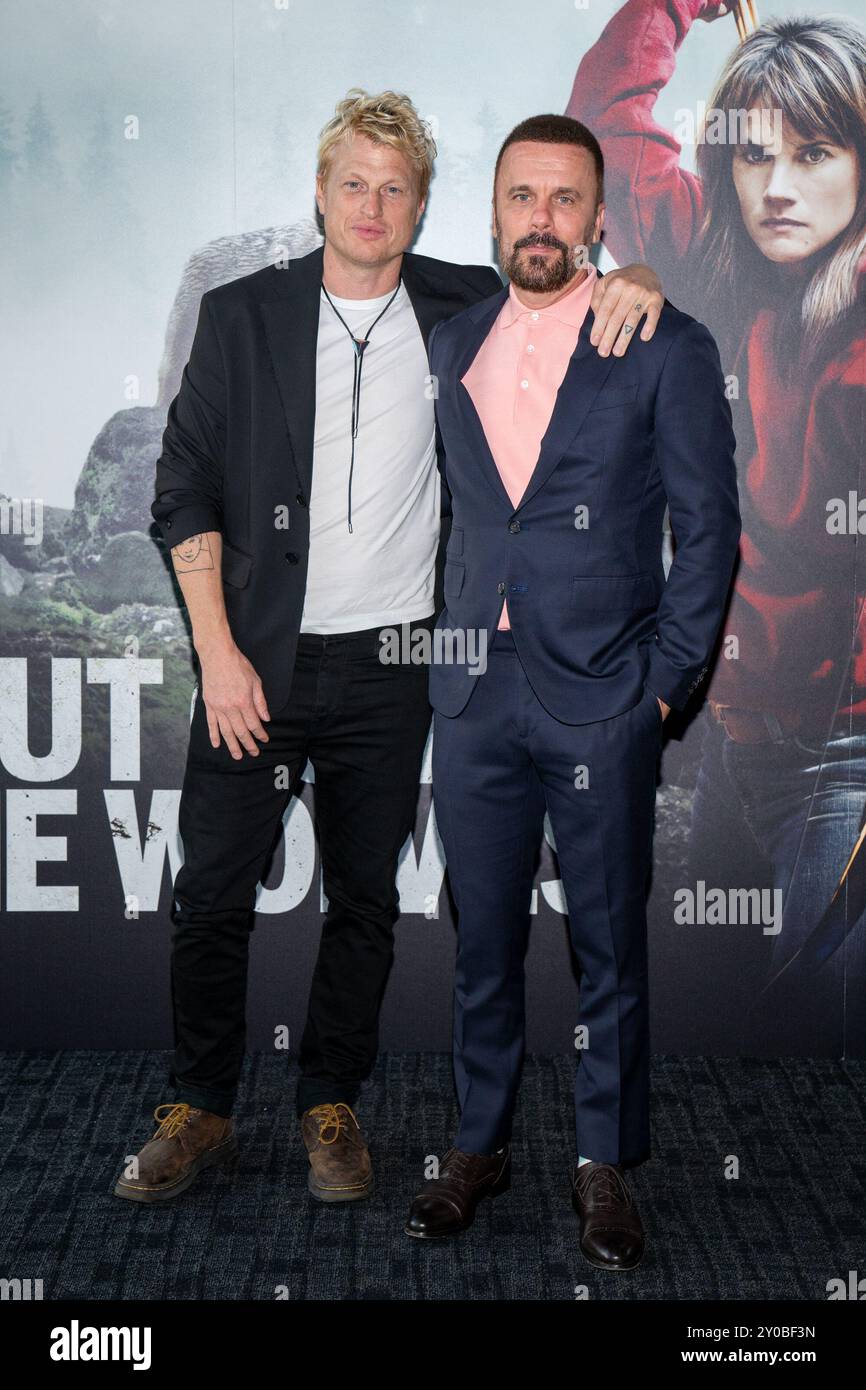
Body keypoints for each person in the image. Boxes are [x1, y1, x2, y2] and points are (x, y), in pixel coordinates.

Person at [114, 90, 666, 1204]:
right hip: (252, 664)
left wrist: (634, 279)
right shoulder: (240, 316)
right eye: (351, 182)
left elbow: (563, 283)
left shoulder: (463, 304)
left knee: (364, 897)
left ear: (420, 208)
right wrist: (216, 652)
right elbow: (182, 493)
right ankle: (201, 1103)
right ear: (319, 192)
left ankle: (331, 1098)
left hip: (395, 663)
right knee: (212, 894)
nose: (370, 204)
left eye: (393, 187)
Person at [405, 114, 741, 1268]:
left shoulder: (659, 339)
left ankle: (604, 1160)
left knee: (605, 945)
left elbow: (707, 536)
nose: (539, 219)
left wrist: (659, 691)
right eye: (518, 197)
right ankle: (477, 1140)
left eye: (562, 200)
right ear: (491, 212)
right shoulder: (450, 339)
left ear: (598, 219)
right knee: (481, 939)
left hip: (604, 695)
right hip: (473, 696)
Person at [568, 7, 866, 1047]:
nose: (775, 184)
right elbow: (607, 126)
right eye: (751, 155)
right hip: (739, 739)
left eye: (814, 152)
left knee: (815, 1046)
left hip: (846, 751)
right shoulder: (715, 261)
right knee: (714, 1024)